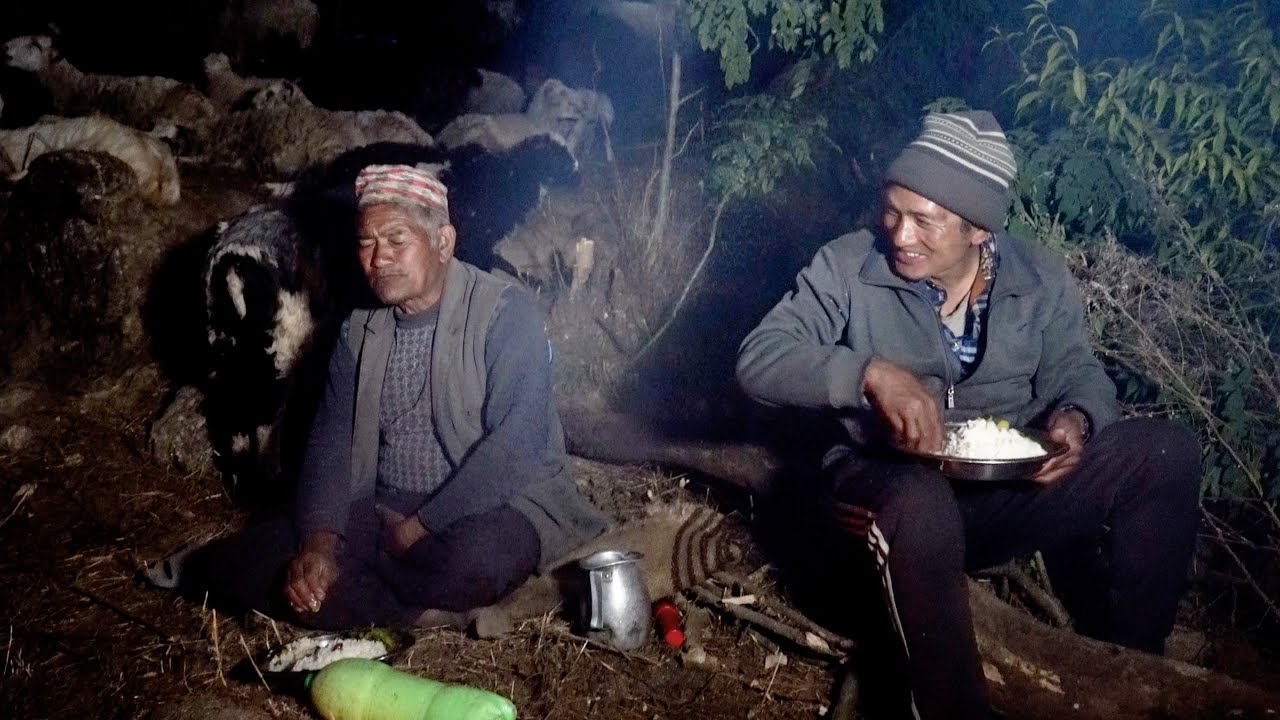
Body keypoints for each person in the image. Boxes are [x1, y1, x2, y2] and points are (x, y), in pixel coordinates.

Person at [735, 111, 1201, 719]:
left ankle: (1137, 671)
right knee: (918, 500)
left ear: (978, 228)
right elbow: (759, 359)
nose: (899, 234)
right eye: (892, 211)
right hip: (883, 492)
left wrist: (1075, 420)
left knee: (1165, 453)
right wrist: (869, 373)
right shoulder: (847, 267)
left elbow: (1079, 371)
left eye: (923, 220)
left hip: (1003, 495)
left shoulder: (1038, 277)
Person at [165, 164, 609, 630]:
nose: (379, 259)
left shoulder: (504, 312)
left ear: (443, 242)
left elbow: (515, 449)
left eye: (397, 240)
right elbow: (332, 444)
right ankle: (417, 610)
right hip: (384, 508)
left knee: (472, 563)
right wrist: (319, 547)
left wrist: (421, 527)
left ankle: (378, 596)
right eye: (366, 243)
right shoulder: (359, 328)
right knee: (241, 567)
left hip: (495, 505)